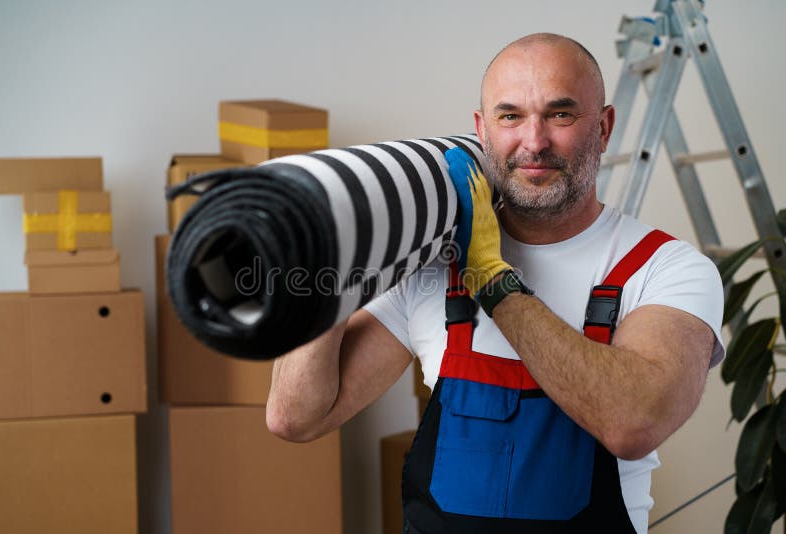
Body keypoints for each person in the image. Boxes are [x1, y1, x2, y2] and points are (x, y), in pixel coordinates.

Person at [266, 33, 724, 534]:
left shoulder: (665, 268)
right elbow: (296, 418)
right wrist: (338, 265)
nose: (534, 142)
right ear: (482, 130)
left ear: (605, 127)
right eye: (511, 116)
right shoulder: (431, 264)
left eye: (561, 114)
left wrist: (492, 280)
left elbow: (634, 421)